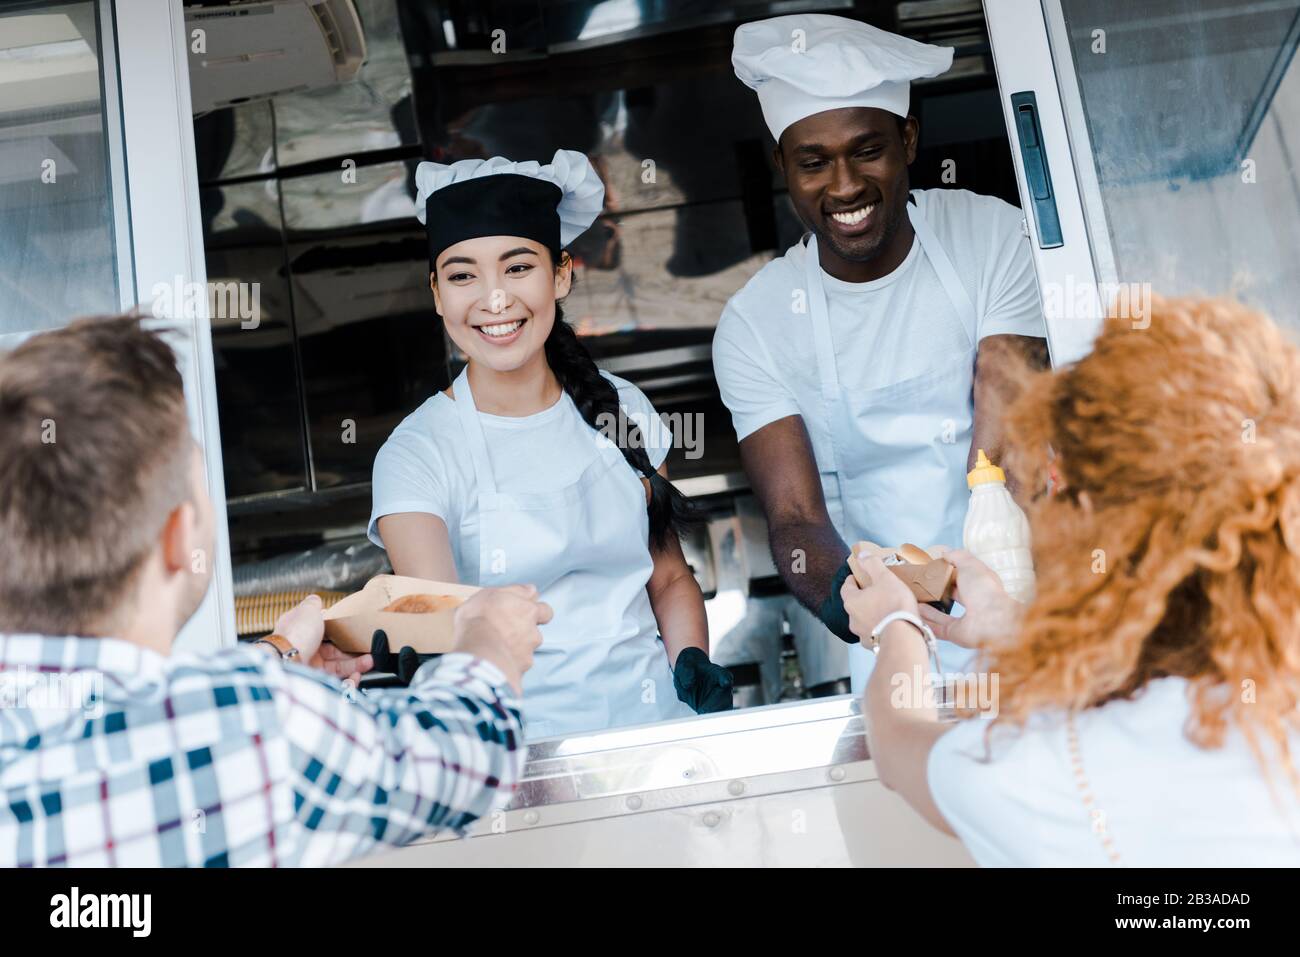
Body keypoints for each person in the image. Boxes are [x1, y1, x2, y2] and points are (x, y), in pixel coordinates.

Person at [0, 315, 548, 867]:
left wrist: (278, 657)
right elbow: (463, 759)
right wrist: (488, 637)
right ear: (178, 538)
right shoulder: (250, 726)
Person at [846, 296, 1300, 866]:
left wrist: (895, 624)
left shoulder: (1052, 771)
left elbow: (896, 745)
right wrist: (1013, 627)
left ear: (1090, 514)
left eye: (1053, 480)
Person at [713, 14, 1048, 691]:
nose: (843, 187)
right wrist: (878, 613)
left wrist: (1016, 604)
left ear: (909, 140)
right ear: (783, 166)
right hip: (884, 645)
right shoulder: (755, 324)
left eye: (867, 150)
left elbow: (1007, 445)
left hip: (1022, 598)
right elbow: (796, 519)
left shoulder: (991, 238)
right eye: (813, 162)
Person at [369, 149, 732, 739]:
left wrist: (691, 667)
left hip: (659, 735)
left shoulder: (622, 407)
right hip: (512, 760)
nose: (494, 300)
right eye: (463, 275)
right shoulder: (416, 456)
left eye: (517, 268)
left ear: (561, 274)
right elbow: (442, 637)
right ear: (436, 293)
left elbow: (667, 579)